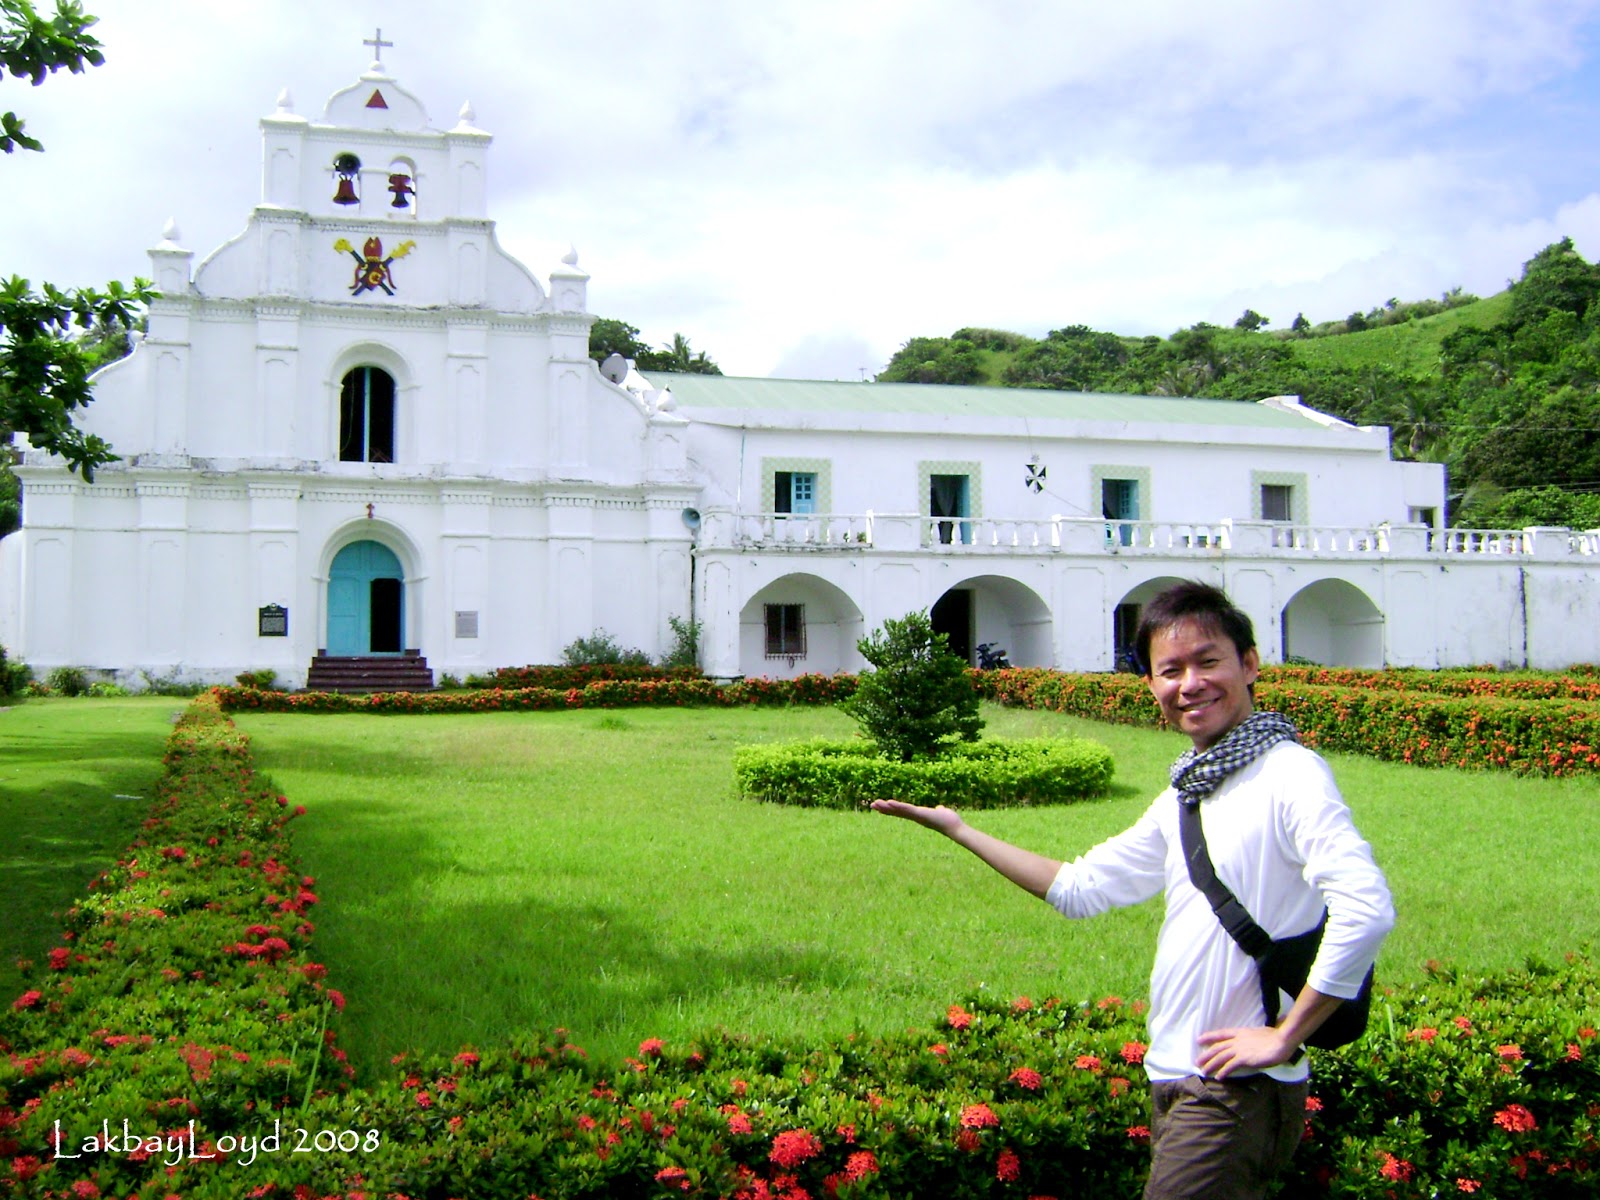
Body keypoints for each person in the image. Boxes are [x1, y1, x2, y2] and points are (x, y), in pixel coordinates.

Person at [872, 580, 1394, 1199]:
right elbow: (1080, 888)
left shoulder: (1288, 774)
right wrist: (961, 830)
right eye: (1168, 670)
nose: (1189, 685)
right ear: (1150, 686)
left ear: (1250, 664)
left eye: (1208, 661)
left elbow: (1366, 908)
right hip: (1176, 1077)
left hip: (1234, 1090)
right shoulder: (1188, 792)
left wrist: (1286, 1035)